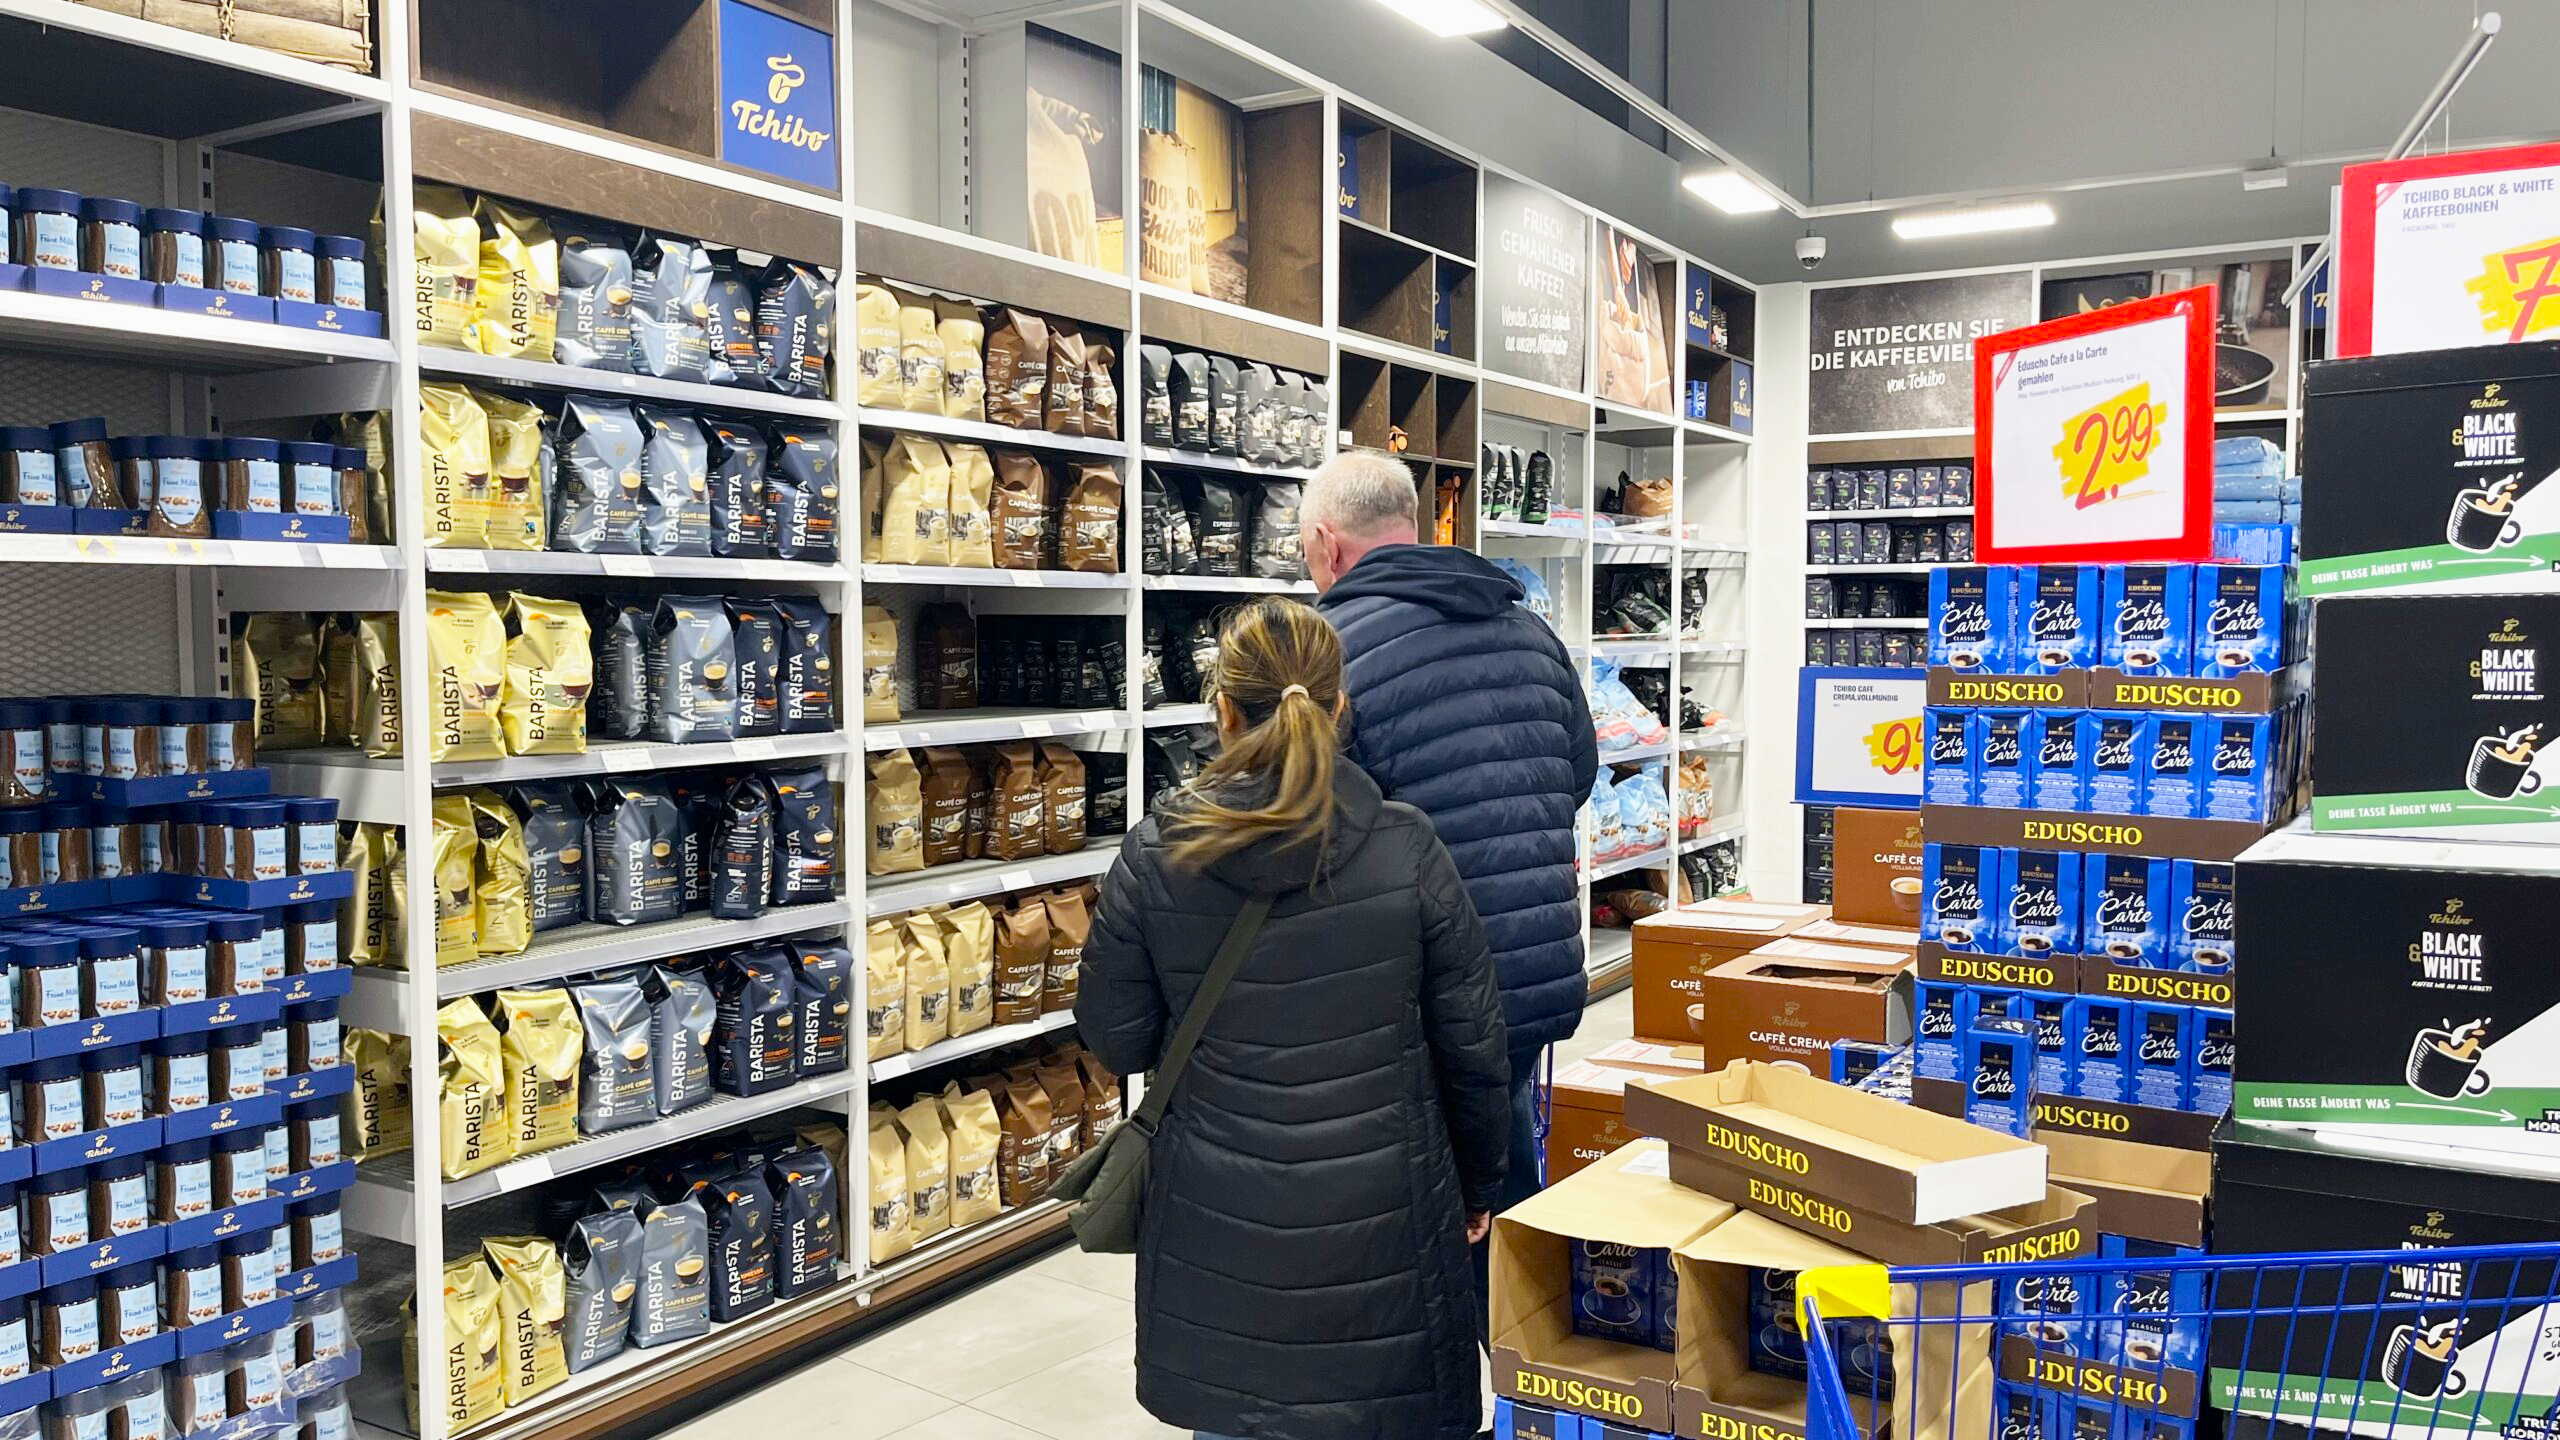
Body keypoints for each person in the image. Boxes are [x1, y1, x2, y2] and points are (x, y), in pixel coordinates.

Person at [1078, 597, 1510, 1440]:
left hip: (1216, 1210)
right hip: (1386, 1206)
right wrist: (1479, 1183)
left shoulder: (1158, 851)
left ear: (1223, 711)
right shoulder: (1405, 846)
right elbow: (1474, 1044)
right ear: (1339, 706)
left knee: (1237, 1415)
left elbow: (1117, 1034)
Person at [1305, 451, 1600, 1221]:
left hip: (1415, 987)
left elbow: (1308, 827)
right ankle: (1527, 1329)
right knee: (1499, 1168)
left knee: (1436, 1211)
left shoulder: (1326, 652)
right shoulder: (1530, 632)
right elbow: (1577, 776)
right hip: (1535, 967)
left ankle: (1502, 1332)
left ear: (1328, 545)